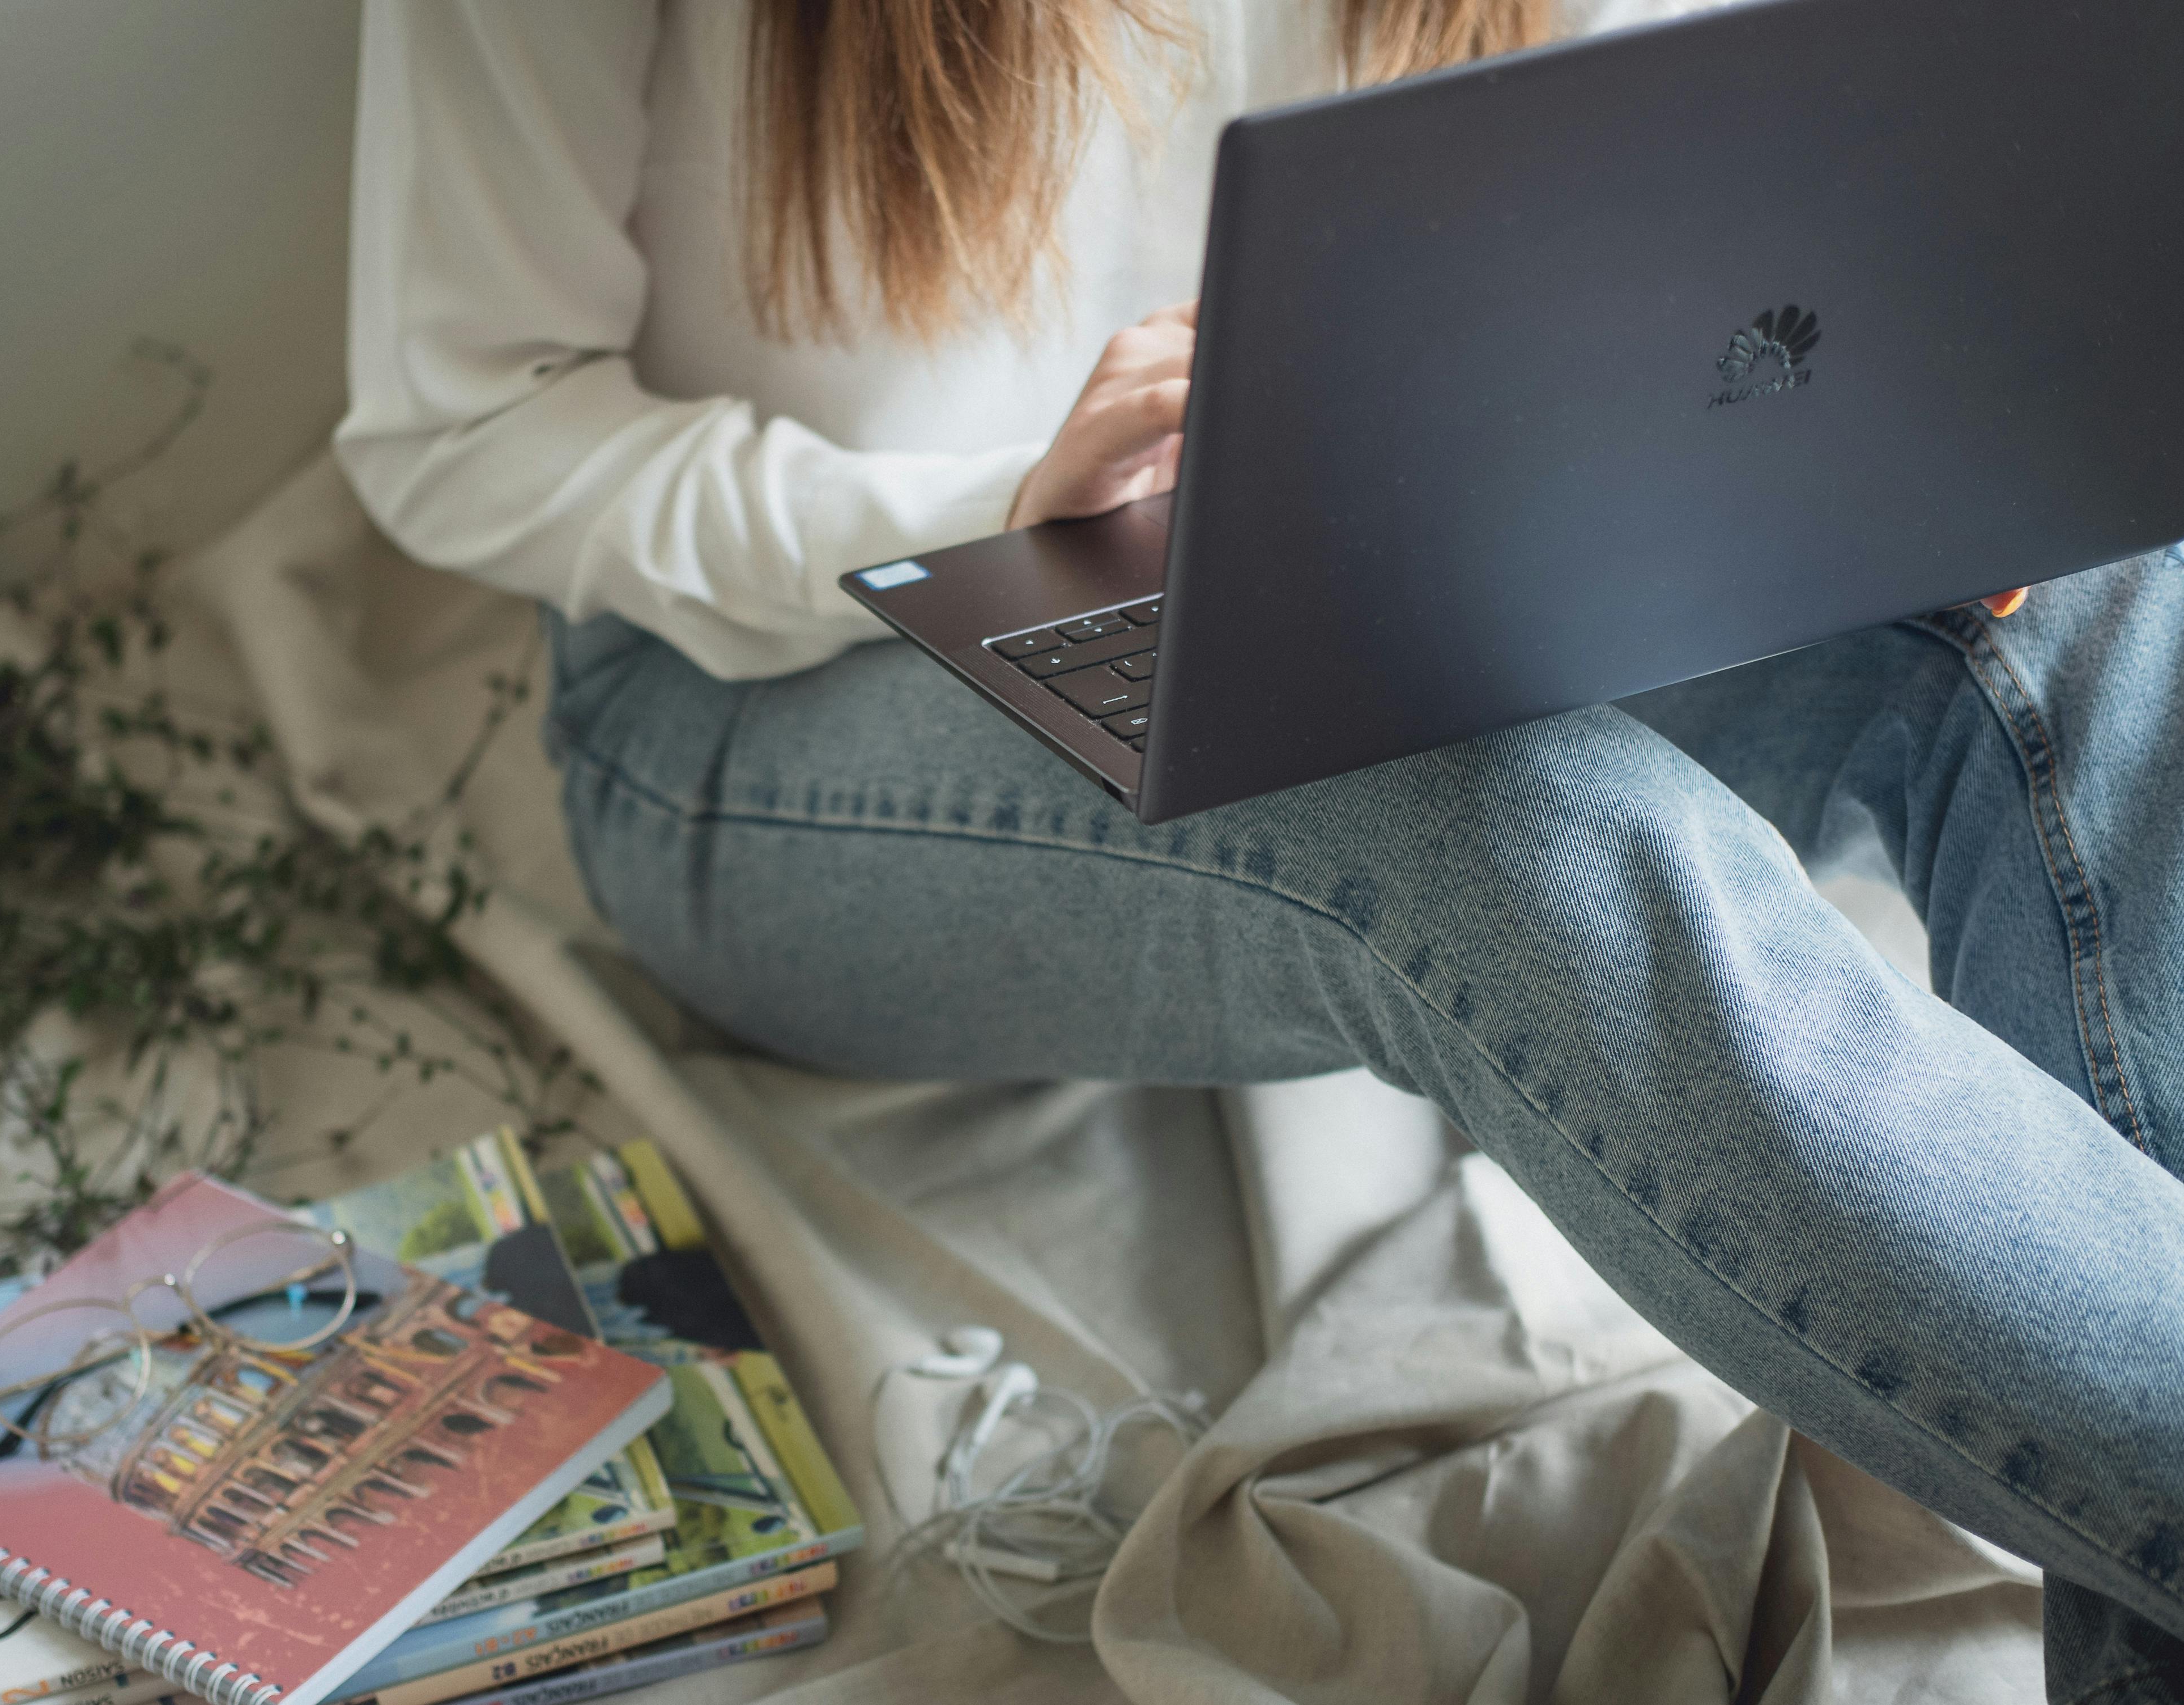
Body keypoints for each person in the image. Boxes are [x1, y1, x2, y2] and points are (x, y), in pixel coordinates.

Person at [333, 1, 2184, 1694]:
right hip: (781, 680)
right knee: (1491, 821)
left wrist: (1865, 432)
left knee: (2089, 594)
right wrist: (989, 514)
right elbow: (461, 424)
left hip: (1396, 549)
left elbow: (1682, 158)